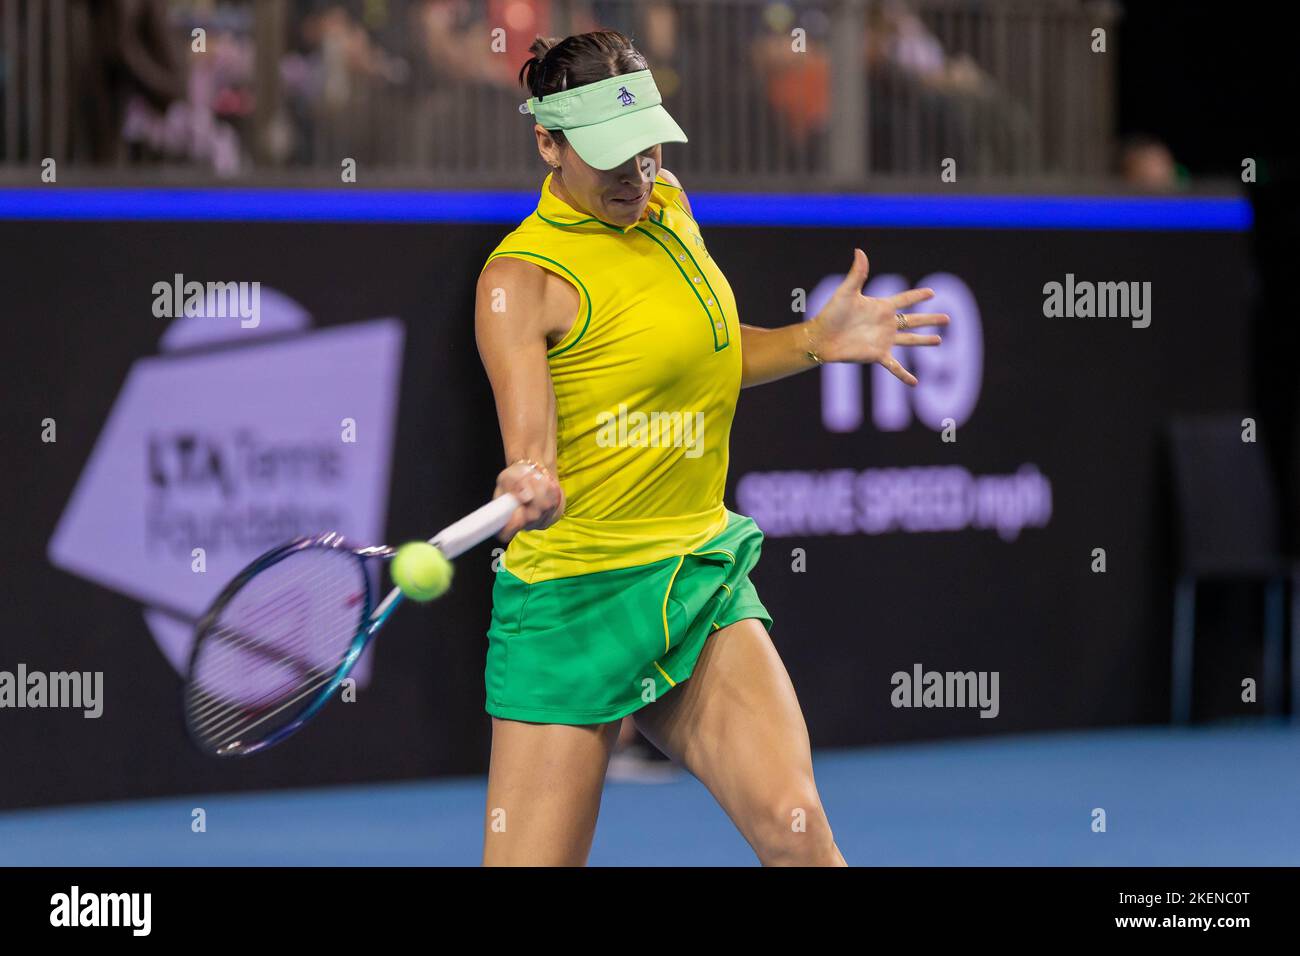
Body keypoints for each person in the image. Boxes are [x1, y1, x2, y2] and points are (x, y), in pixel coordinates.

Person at [474, 30, 948, 866]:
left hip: (697, 577)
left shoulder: (670, 209)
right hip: (575, 605)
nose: (637, 172)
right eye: (611, 155)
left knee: (799, 833)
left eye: (648, 145)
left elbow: (715, 353)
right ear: (546, 142)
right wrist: (530, 480)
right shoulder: (519, 280)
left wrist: (813, 340)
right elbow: (530, 445)